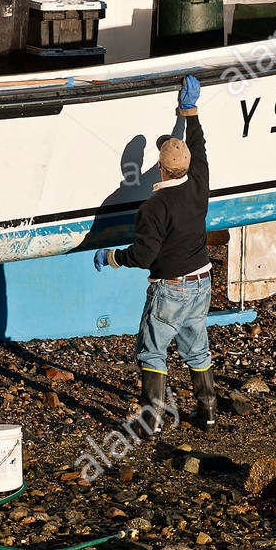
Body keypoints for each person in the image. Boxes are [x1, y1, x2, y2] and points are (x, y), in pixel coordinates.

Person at [94, 75, 215, 432]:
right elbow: (199, 145)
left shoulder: (153, 207)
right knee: (197, 349)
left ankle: (151, 421)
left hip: (170, 288)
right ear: (188, 166)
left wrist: (113, 257)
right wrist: (189, 110)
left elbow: (144, 256)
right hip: (202, 282)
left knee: (152, 350)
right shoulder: (200, 183)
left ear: (160, 168)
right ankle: (207, 414)